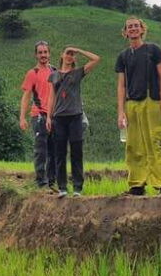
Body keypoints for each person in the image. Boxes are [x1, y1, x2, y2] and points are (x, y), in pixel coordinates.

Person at [115, 17, 161, 196]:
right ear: (125, 32)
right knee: (134, 145)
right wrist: (121, 112)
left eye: (136, 26)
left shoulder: (153, 50)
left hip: (152, 101)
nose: (133, 29)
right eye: (129, 27)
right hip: (132, 103)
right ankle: (137, 184)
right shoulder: (123, 56)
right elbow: (121, 85)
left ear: (142, 30)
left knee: (157, 141)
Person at [45, 46, 100, 198]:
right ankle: (62, 187)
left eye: (72, 55)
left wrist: (79, 50)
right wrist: (49, 117)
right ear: (62, 55)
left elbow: (96, 59)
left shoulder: (77, 73)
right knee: (60, 153)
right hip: (59, 118)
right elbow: (52, 97)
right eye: (68, 53)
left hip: (75, 116)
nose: (70, 56)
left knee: (77, 152)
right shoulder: (54, 75)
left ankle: (77, 188)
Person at [19, 40, 56, 192]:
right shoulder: (32, 73)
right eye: (40, 52)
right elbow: (26, 96)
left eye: (45, 52)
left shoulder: (55, 71)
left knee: (55, 150)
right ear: (36, 55)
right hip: (39, 115)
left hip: (54, 116)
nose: (43, 55)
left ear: (49, 53)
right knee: (41, 150)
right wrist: (22, 117)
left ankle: (52, 182)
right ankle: (41, 183)